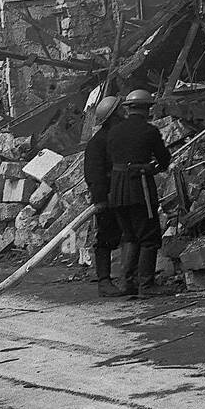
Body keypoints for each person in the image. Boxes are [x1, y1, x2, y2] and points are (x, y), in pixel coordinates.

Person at [105, 89, 171, 298]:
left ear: (128, 109)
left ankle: (127, 283)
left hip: (116, 190)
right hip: (139, 188)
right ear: (146, 109)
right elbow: (164, 159)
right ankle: (146, 285)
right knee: (149, 237)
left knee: (130, 236)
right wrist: (152, 168)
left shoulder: (114, 131)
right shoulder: (149, 131)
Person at [82, 94, 125, 297]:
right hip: (107, 198)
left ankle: (128, 279)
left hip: (123, 195)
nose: (123, 116)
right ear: (112, 117)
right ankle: (104, 281)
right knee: (105, 238)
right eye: (119, 113)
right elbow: (93, 174)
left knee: (127, 236)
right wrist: (101, 199)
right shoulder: (97, 143)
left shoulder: (117, 138)